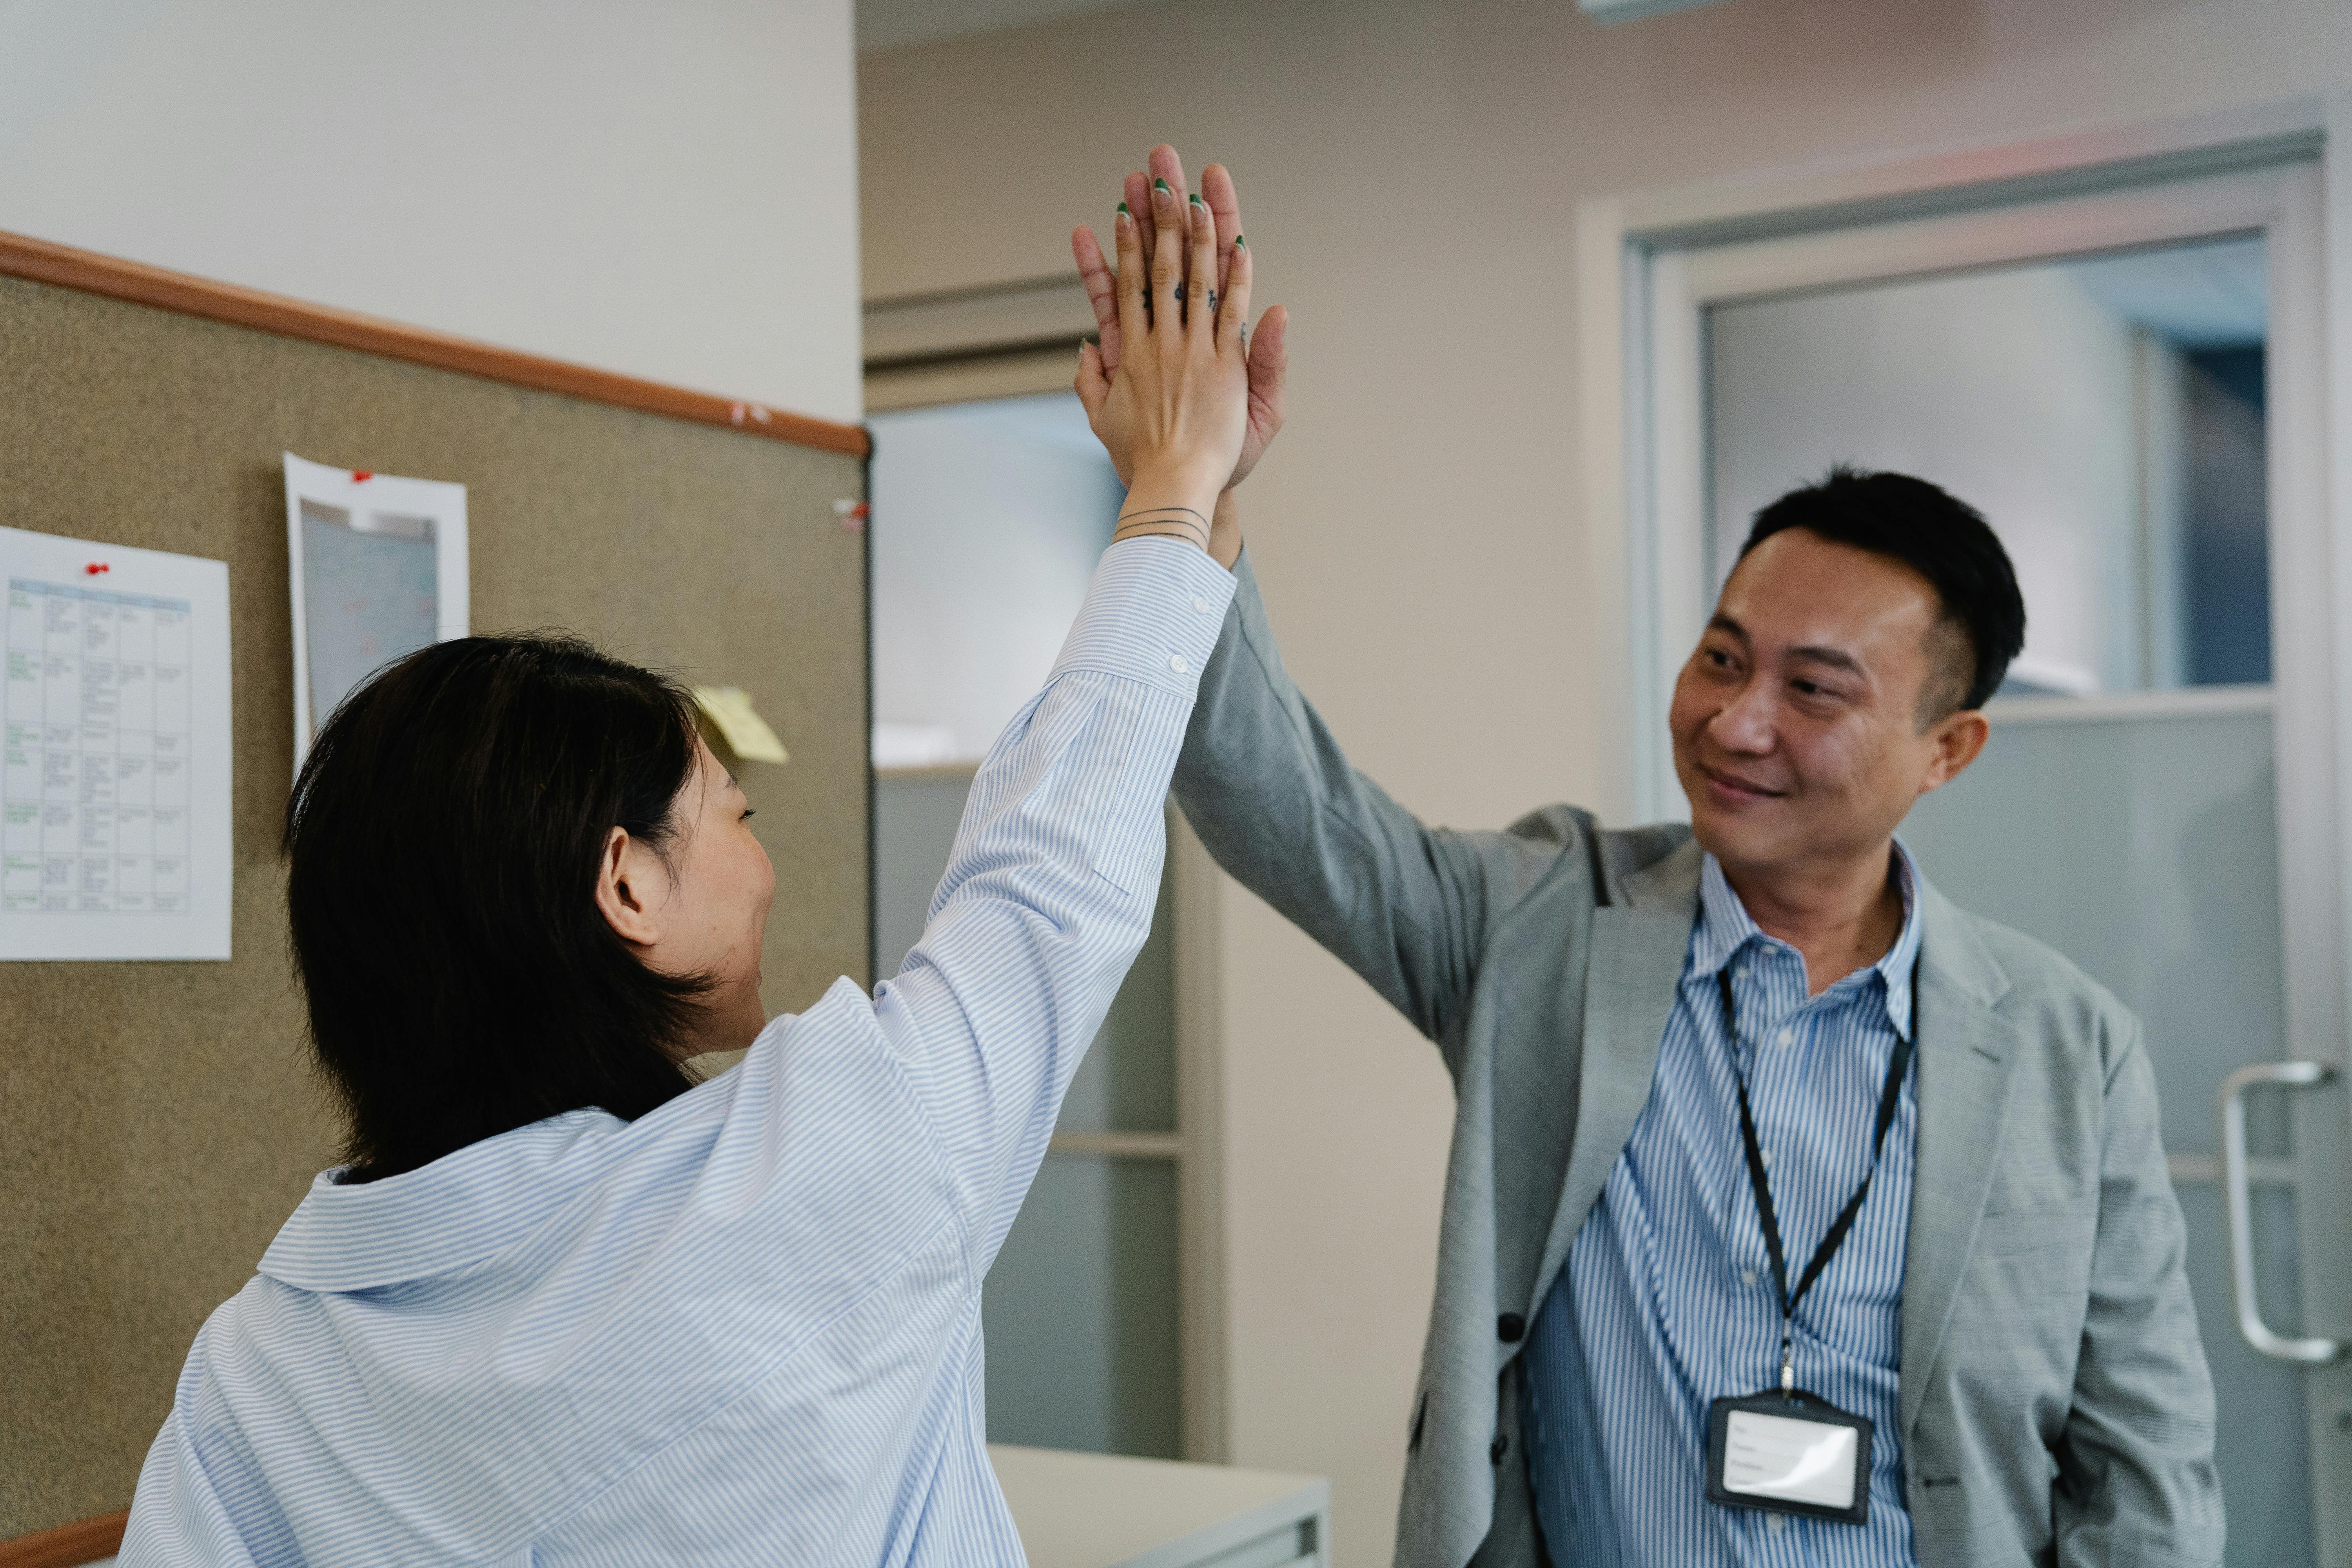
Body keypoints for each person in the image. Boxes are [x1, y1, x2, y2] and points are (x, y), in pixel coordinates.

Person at [1073, 147, 2221, 1568]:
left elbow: (2147, 1470)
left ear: (1949, 750)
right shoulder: (1547, 922)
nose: (1736, 722)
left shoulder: (2065, 1047)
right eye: (1723, 656)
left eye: (1815, 690)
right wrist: (1186, 497)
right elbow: (1275, 802)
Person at [118, 167, 1260, 1567]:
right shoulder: (814, 1173)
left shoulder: (260, 1375)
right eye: (732, 813)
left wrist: (1191, 521)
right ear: (627, 887)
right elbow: (1049, 879)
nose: (761, 866)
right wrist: (1173, 490)